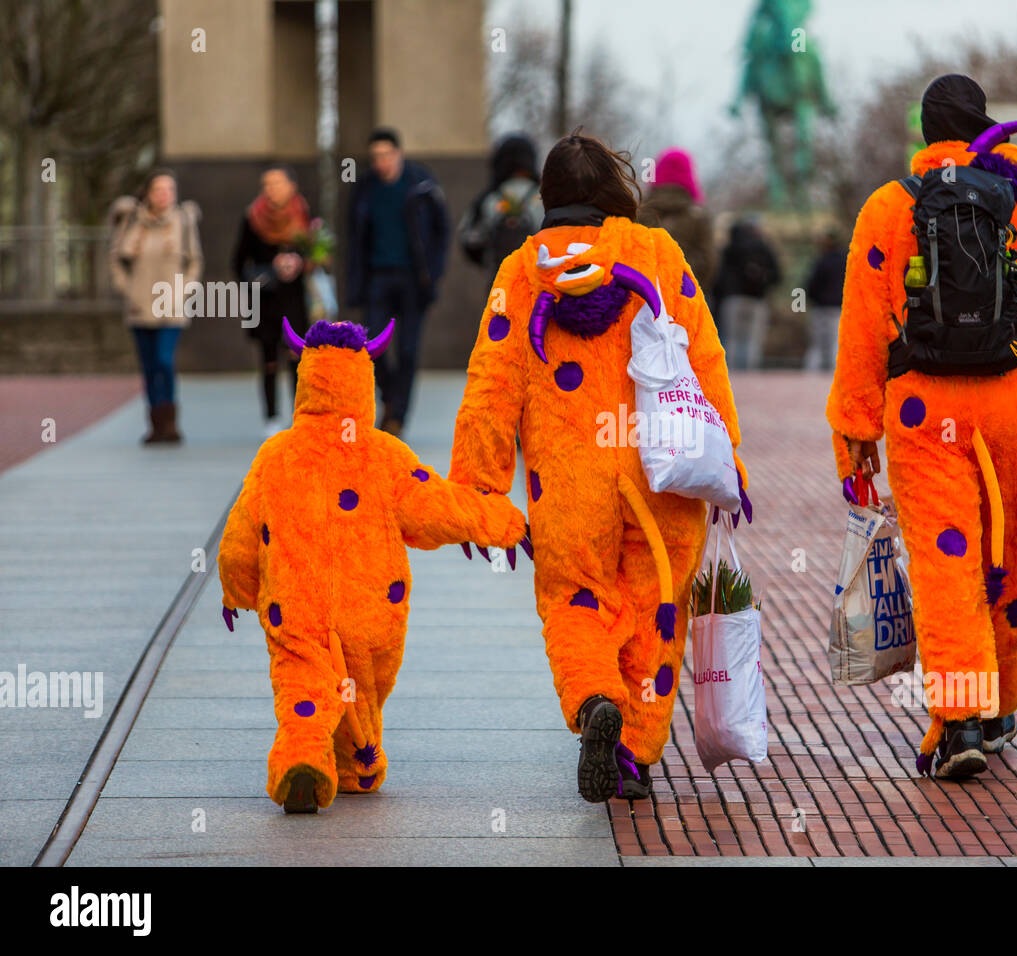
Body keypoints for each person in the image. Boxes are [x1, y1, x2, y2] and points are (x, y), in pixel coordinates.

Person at [826, 74, 1017, 780]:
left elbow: (864, 330)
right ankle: (1000, 709)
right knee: (1012, 551)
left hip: (925, 409)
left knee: (945, 565)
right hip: (1016, 403)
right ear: (984, 125)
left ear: (926, 135)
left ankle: (959, 718)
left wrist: (855, 429)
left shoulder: (889, 210)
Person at [447, 132, 751, 803]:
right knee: (657, 610)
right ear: (616, 193)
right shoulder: (658, 254)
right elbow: (706, 360)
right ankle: (637, 752)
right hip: (662, 472)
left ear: (548, 198)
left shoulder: (522, 272)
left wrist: (478, 492)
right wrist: (729, 462)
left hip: (568, 479)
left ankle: (592, 702)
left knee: (574, 601)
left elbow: (489, 387)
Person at [218, 318, 526, 813]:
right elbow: (436, 505)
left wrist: (238, 589)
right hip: (371, 607)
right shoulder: (385, 456)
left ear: (307, 379)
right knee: (361, 688)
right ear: (365, 380)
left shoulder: (275, 456)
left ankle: (303, 754)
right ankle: (356, 763)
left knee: (303, 686)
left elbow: (240, 534)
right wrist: (502, 523)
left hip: (296, 605)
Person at [346, 127, 450, 435]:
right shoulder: (364, 188)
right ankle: (390, 396)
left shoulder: (422, 183)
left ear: (398, 154)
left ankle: (398, 417)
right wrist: (355, 282)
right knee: (371, 347)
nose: (380, 162)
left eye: (386, 155)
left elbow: (442, 230)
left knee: (407, 350)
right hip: (377, 277)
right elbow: (354, 238)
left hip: (414, 279)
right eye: (375, 156)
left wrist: (434, 271)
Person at [108, 169, 203, 444]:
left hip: (171, 305)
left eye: (169, 190)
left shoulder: (183, 220)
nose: (164, 195)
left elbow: (195, 261)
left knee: (164, 360)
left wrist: (184, 291)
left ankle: (170, 423)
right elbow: (115, 257)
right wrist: (126, 288)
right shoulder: (132, 220)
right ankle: (155, 426)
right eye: (159, 190)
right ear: (148, 193)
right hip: (139, 305)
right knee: (149, 366)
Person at [232, 165, 311, 435]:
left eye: (277, 183)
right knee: (268, 360)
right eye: (266, 184)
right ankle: (270, 417)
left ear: (292, 186)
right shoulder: (253, 217)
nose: (271, 189)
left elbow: (320, 255)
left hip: (296, 299)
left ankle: (300, 415)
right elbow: (239, 263)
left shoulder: (305, 215)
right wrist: (270, 269)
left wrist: (300, 263)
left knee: (297, 358)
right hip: (265, 300)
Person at [458, 132, 545, 291]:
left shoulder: (489, 199)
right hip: (538, 283)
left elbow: (468, 238)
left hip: (500, 282)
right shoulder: (544, 197)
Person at [637, 147, 716, 300]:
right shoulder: (698, 216)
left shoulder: (640, 212)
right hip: (685, 300)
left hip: (643, 299)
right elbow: (708, 263)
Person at [714, 218, 780, 368]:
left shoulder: (730, 248)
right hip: (757, 300)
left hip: (732, 298)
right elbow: (777, 276)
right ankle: (750, 377)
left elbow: (718, 276)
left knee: (731, 340)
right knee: (752, 342)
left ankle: (731, 379)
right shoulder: (764, 248)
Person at [802, 226, 848, 371]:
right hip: (838, 307)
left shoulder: (820, 261)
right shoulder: (846, 261)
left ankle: (811, 375)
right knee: (835, 343)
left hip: (820, 307)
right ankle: (833, 377)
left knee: (817, 345)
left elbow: (810, 284)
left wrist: (807, 302)